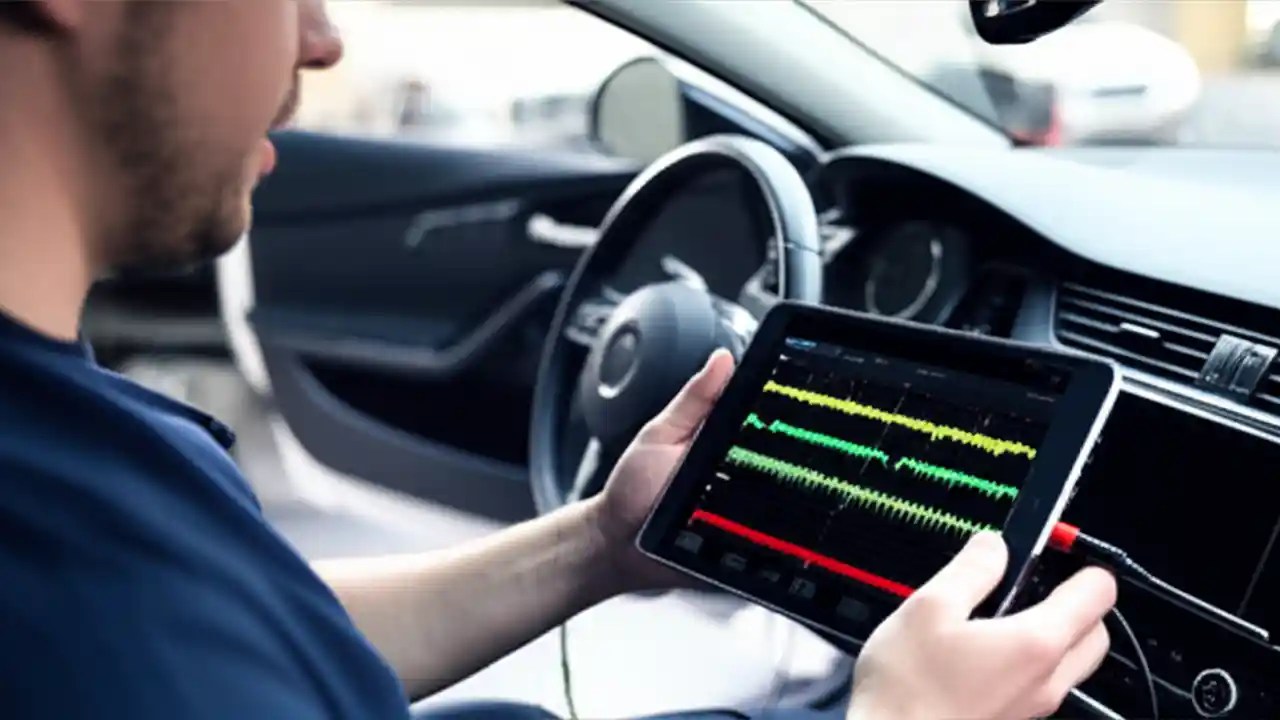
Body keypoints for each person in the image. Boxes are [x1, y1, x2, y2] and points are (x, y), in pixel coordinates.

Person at [0, 1, 1118, 718]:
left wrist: (596, 545)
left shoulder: (63, 457)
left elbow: (257, 629)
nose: (321, 37)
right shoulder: (64, 575)